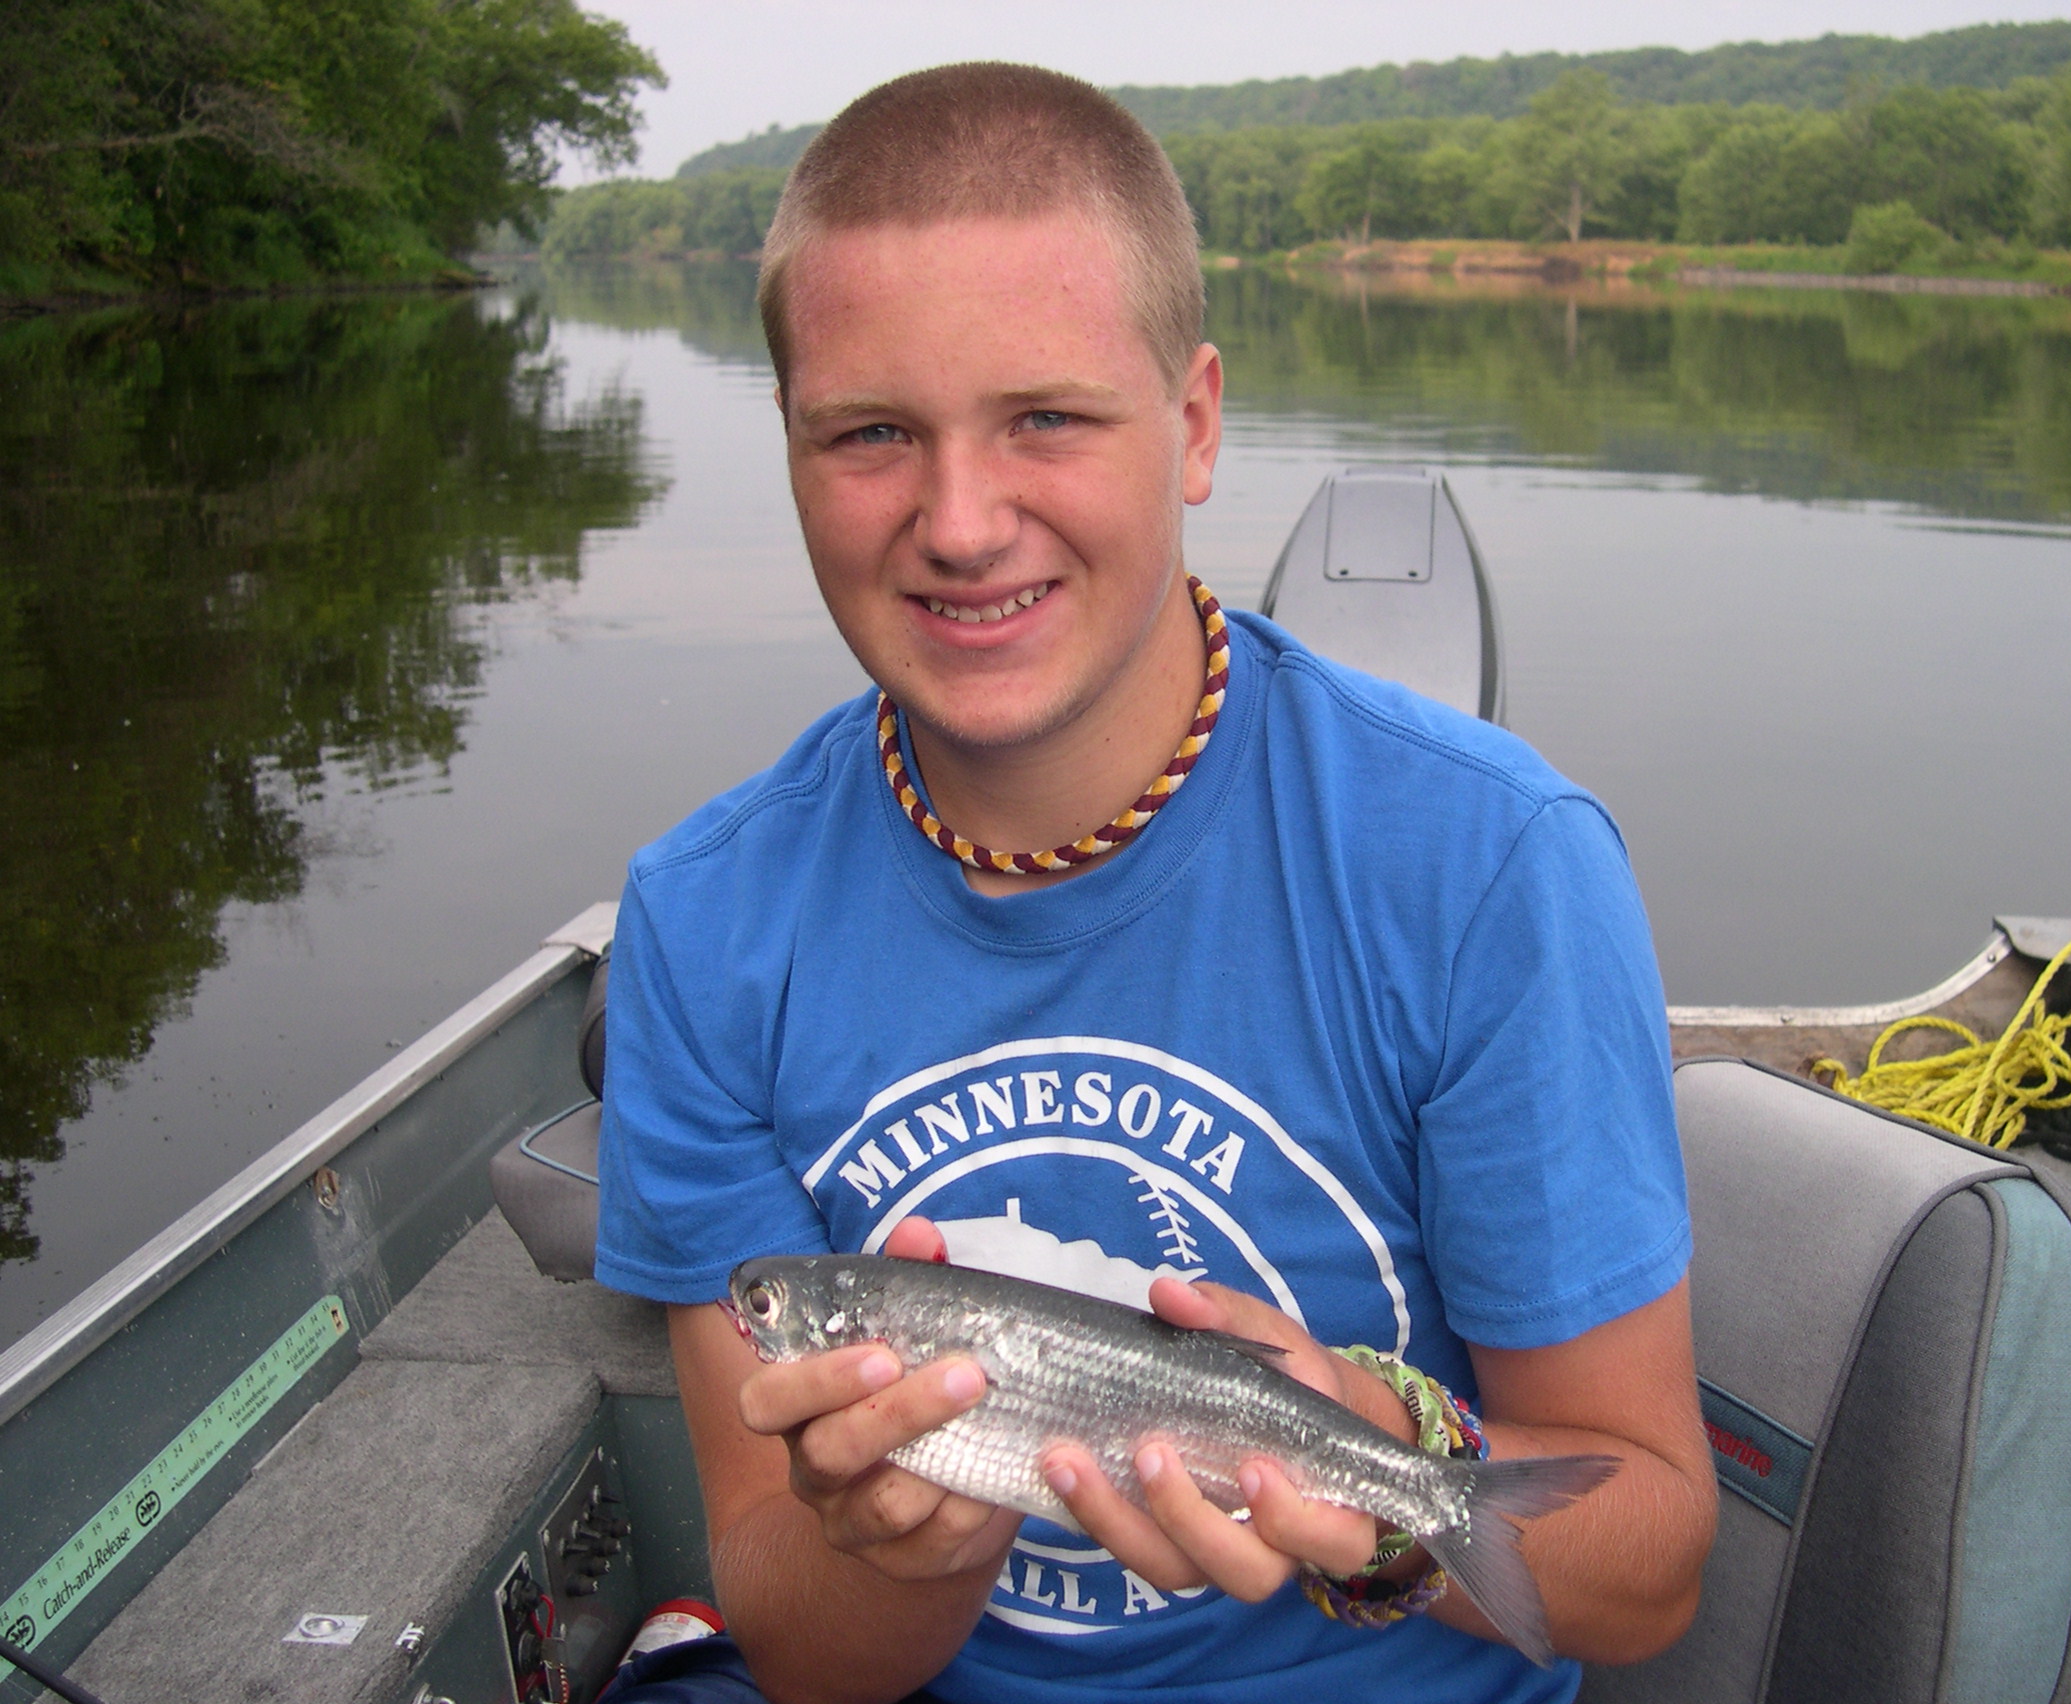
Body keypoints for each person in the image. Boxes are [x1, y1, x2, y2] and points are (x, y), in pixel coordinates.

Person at [593, 61, 1716, 1704]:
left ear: (1193, 426)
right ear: (788, 445)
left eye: (1045, 416)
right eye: (871, 434)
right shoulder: (702, 926)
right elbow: (813, 1655)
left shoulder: (1488, 867)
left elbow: (1649, 1570)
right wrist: (915, 1531)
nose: (962, 522)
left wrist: (1388, 1476)